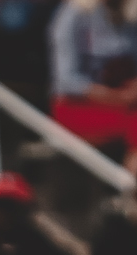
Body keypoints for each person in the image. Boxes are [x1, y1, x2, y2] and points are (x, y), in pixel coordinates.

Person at [48, 0, 137, 157]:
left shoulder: (129, 15)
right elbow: (65, 81)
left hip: (124, 105)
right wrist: (115, 97)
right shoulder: (74, 14)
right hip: (76, 106)